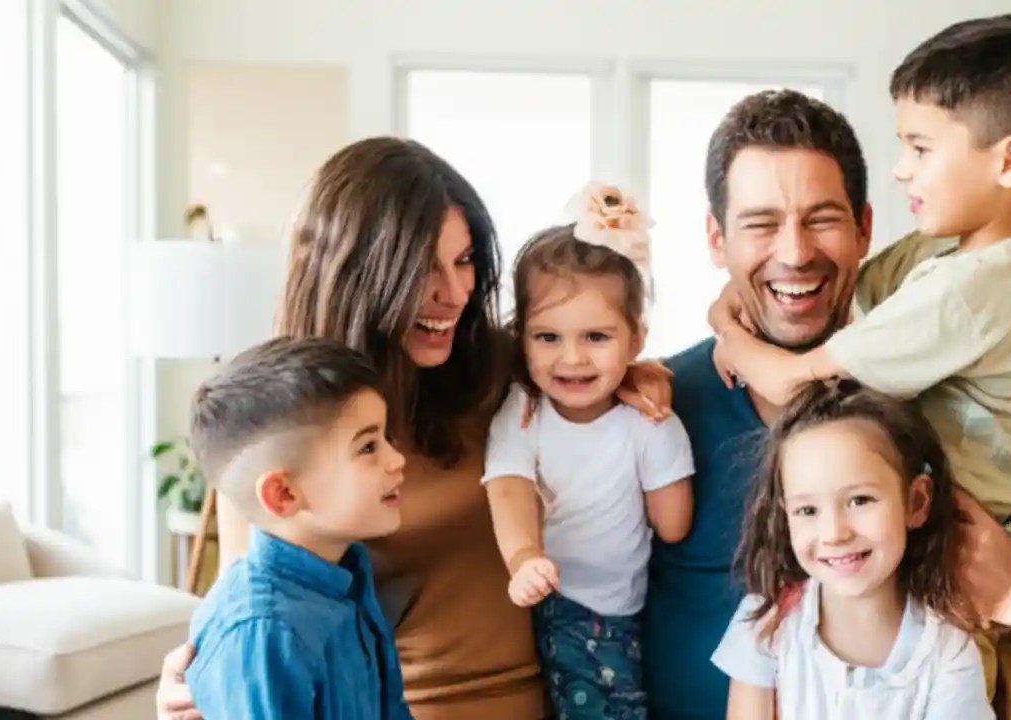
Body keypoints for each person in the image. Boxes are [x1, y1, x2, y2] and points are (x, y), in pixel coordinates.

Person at [645, 87, 1011, 720]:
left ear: (864, 229)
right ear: (717, 239)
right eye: (761, 223)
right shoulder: (650, 408)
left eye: (822, 218)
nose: (795, 251)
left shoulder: (943, 414)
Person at [155, 138, 672, 720]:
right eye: (424, 267)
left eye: (466, 259)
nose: (454, 294)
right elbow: (252, 604)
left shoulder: (510, 370)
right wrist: (188, 678)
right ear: (357, 272)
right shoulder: (280, 421)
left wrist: (639, 378)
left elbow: (602, 358)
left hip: (559, 694)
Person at [706, 11, 1011, 702]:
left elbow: (790, 372)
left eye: (919, 148)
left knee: (986, 677)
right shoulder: (946, 260)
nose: (901, 169)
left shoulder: (969, 292)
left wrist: (727, 328)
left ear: (1010, 160)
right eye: (761, 224)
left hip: (974, 532)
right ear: (716, 240)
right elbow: (872, 286)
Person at [481, 183, 695, 718]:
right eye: (547, 337)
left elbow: (673, 526)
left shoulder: (650, 420)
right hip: (533, 601)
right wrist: (523, 555)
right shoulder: (523, 408)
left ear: (636, 339)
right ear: (520, 338)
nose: (571, 358)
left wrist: (663, 442)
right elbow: (508, 484)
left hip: (614, 613)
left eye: (596, 337)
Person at [712, 380, 991, 719]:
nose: (834, 533)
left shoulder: (948, 653)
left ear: (916, 502)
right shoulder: (764, 624)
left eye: (860, 500)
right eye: (808, 511)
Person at [183, 337, 413, 719]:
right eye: (368, 447)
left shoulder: (348, 571)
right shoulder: (262, 635)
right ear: (283, 493)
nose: (397, 460)